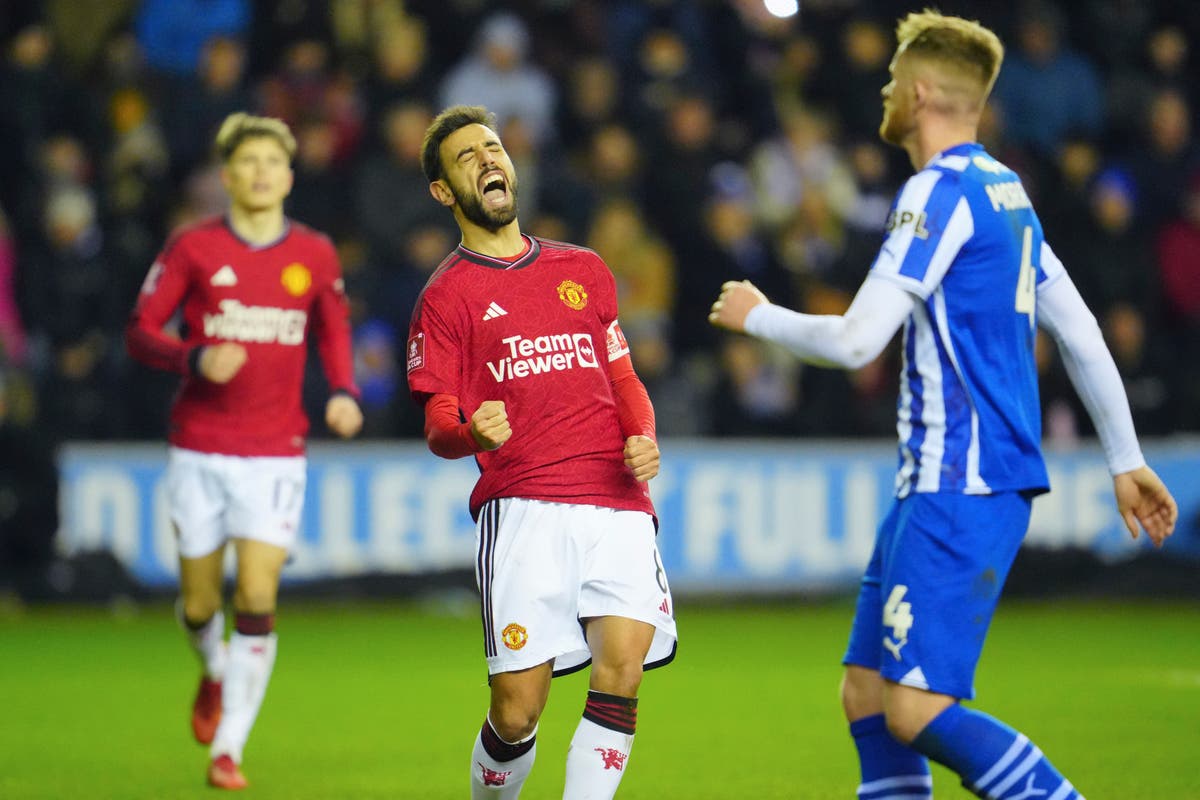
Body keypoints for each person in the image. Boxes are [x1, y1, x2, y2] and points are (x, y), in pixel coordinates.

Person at [709, 11, 1177, 800]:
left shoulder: (939, 192)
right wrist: (1125, 461)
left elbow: (860, 340)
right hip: (943, 485)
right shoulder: (1006, 192)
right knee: (866, 692)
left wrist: (760, 317)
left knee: (917, 706)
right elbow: (1081, 329)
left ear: (921, 92)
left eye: (894, 79)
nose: (885, 91)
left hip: (959, 485)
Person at [406, 105, 676, 799]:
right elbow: (439, 423)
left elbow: (623, 378)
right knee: (517, 710)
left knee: (621, 672)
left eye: (493, 148)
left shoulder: (582, 268)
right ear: (444, 192)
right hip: (525, 507)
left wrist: (642, 435)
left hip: (617, 500)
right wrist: (473, 433)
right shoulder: (446, 297)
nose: (487, 160)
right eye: (466, 156)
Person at [125, 112, 362, 790]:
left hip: (276, 451)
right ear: (227, 176)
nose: (260, 172)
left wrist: (343, 389)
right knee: (200, 605)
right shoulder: (193, 247)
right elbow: (141, 331)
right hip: (200, 448)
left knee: (258, 592)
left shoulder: (315, 252)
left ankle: (228, 748)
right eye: (247, 162)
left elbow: (333, 331)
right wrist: (193, 356)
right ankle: (213, 668)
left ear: (289, 175)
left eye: (272, 162)